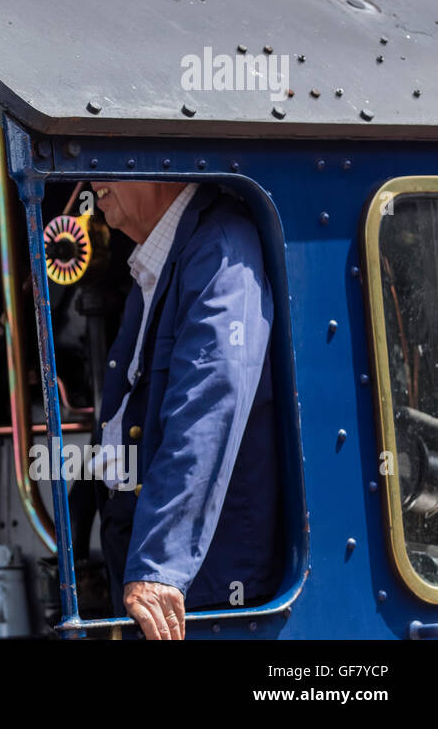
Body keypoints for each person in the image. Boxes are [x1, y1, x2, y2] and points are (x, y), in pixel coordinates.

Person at [89, 180, 281, 640]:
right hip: (177, 589)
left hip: (205, 596)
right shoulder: (167, 259)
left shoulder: (218, 249)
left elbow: (209, 406)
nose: (92, 179)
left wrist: (159, 568)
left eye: (109, 150)